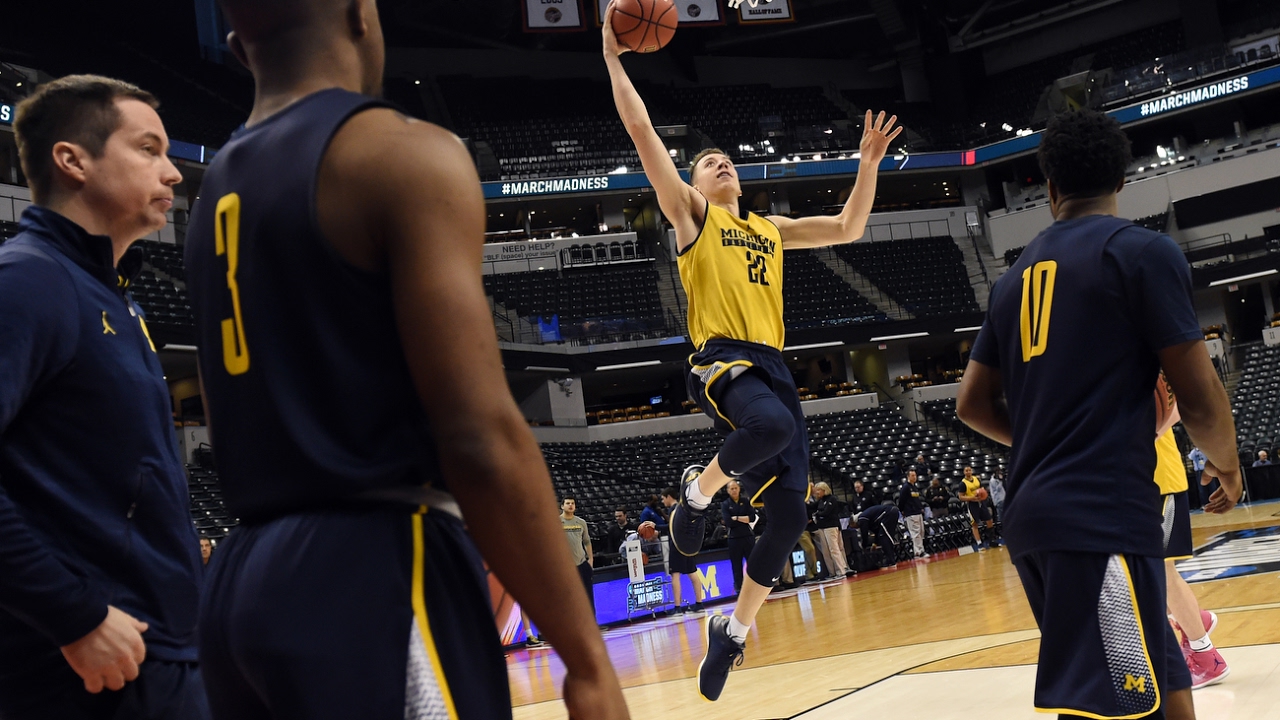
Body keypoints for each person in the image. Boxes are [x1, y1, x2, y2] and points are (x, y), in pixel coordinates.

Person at [186, 2, 628, 718]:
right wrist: (586, 659)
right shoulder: (397, 152)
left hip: (241, 591)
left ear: (238, 48)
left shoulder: (211, 192)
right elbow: (478, 435)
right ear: (363, 16)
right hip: (371, 572)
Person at [603, 2, 901, 702]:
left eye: (726, 160)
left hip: (771, 365)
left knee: (793, 515)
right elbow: (643, 131)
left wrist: (867, 165)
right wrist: (615, 62)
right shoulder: (691, 216)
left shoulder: (770, 228)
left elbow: (851, 227)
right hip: (722, 357)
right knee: (767, 429)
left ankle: (731, 635)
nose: (721, 165)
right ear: (696, 185)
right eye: (709, 163)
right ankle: (697, 493)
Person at [957, 108, 1242, 720]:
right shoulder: (1140, 252)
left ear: (1050, 189)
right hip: (1097, 516)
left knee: (1166, 692)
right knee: (1108, 708)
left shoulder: (1011, 280)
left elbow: (970, 404)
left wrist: (1040, 440)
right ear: (1122, 181)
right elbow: (1197, 394)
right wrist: (1228, 465)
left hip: (1041, 515)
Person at [0, 75, 207, 720]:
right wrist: (74, 613)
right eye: (149, 149)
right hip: (84, 667)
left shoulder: (114, 297)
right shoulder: (29, 282)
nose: (172, 173)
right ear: (73, 160)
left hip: (153, 654)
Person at [1152, 397, 1228, 689]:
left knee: (1160, 570)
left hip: (1158, 478)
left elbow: (1181, 402)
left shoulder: (1145, 357)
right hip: (1129, 477)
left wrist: (1145, 429)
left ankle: (1205, 655)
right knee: (1148, 569)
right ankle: (1193, 619)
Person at [660, 488, 704, 613]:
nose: (663, 502)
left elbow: (671, 528)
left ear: (669, 496)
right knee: (692, 572)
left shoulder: (674, 509)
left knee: (675, 574)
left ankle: (677, 607)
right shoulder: (684, 508)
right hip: (688, 545)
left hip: (677, 546)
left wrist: (656, 527)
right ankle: (699, 603)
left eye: (663, 498)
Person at [721, 480, 757, 594]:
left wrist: (736, 517)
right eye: (731, 489)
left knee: (752, 564)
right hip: (734, 538)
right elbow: (728, 522)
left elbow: (752, 518)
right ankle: (739, 588)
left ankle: (754, 586)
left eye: (735, 488)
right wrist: (743, 519)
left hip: (747, 536)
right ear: (728, 491)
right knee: (736, 565)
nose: (734, 490)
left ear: (739, 489)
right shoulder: (725, 504)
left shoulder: (746, 501)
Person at [560, 497, 595, 615]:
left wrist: (590, 559)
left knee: (588, 596)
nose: (570, 505)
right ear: (562, 506)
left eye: (572, 503)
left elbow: (587, 541)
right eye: (567, 503)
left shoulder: (581, 522)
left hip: (581, 563)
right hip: (564, 566)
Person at [810, 483, 850, 577]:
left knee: (835, 549)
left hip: (831, 527)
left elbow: (826, 512)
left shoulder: (832, 499)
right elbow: (811, 507)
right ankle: (832, 572)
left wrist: (817, 514)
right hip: (822, 527)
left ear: (824, 490)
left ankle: (842, 570)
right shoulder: (820, 501)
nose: (816, 492)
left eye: (818, 490)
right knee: (826, 551)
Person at [957, 466, 997, 551]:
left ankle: (992, 540)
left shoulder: (977, 479)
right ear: (964, 472)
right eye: (966, 470)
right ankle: (979, 543)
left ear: (972, 471)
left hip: (981, 502)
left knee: (989, 520)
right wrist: (972, 498)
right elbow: (961, 497)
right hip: (972, 504)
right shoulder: (962, 483)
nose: (968, 472)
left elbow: (981, 489)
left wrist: (982, 493)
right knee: (975, 524)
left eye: (969, 470)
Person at [897, 470, 927, 558]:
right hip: (911, 513)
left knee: (921, 532)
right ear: (908, 476)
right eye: (912, 475)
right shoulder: (906, 487)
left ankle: (921, 550)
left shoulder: (914, 487)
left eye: (915, 475)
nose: (915, 477)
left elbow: (916, 500)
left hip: (917, 512)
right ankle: (918, 552)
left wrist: (920, 508)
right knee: (916, 533)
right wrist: (902, 510)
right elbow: (901, 500)